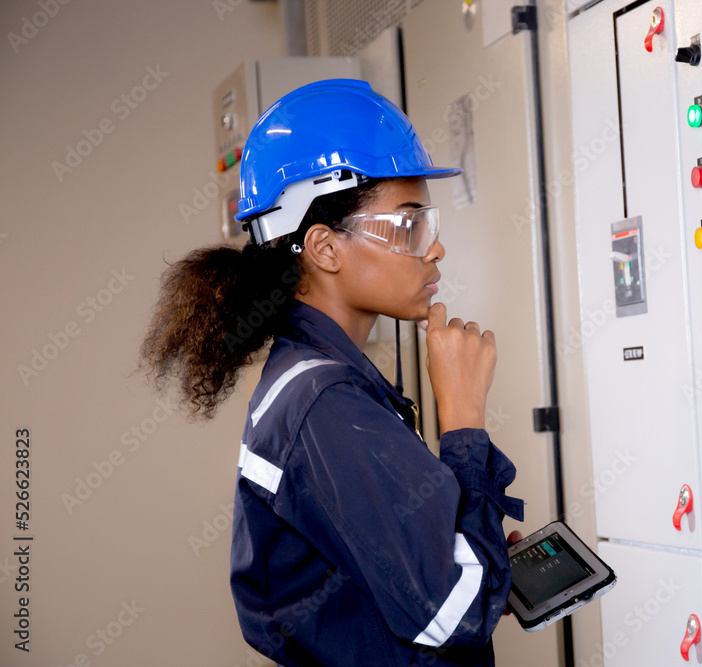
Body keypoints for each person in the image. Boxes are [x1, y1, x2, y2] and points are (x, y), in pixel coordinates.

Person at [139, 79, 524, 666]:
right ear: (324, 248)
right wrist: (464, 420)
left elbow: (398, 573)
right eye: (408, 224)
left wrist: (470, 545)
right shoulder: (325, 403)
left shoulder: (315, 378)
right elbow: (456, 615)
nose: (435, 249)